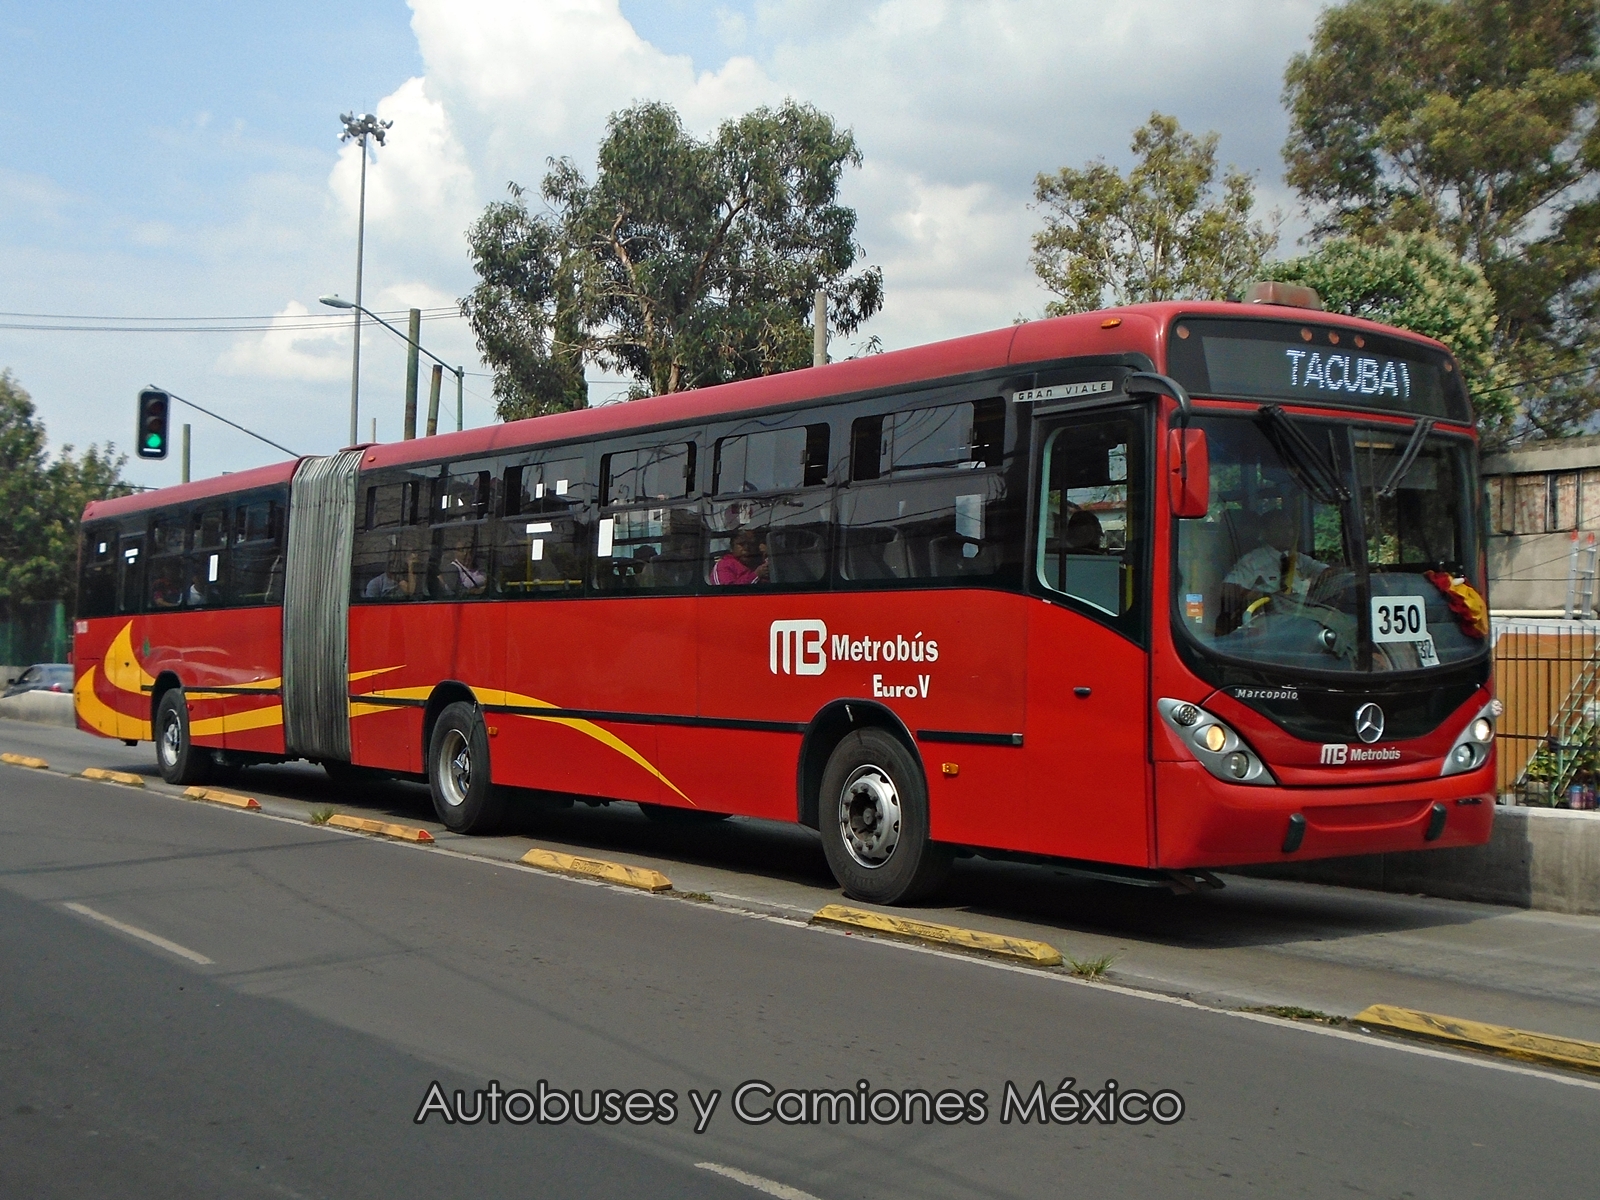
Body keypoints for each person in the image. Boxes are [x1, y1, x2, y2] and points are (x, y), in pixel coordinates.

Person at [1216, 503, 1329, 635]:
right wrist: (1258, 596)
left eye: (1290, 527)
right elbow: (1227, 588)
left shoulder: (1298, 559)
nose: (1289, 533)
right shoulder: (1252, 561)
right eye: (1281, 528)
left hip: (1301, 618)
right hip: (1270, 623)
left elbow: (1326, 572)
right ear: (1265, 532)